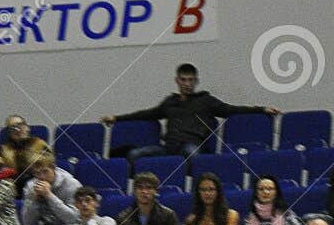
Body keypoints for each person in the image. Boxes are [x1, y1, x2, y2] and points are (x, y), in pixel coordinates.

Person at [102, 63, 279, 159]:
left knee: (192, 154)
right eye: (184, 80)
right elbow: (145, 114)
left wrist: (261, 109)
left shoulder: (206, 101)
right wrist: (116, 118)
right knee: (135, 154)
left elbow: (231, 110)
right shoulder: (170, 102)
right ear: (177, 81)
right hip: (169, 147)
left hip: (191, 145)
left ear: (196, 81)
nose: (187, 83)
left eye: (191, 80)